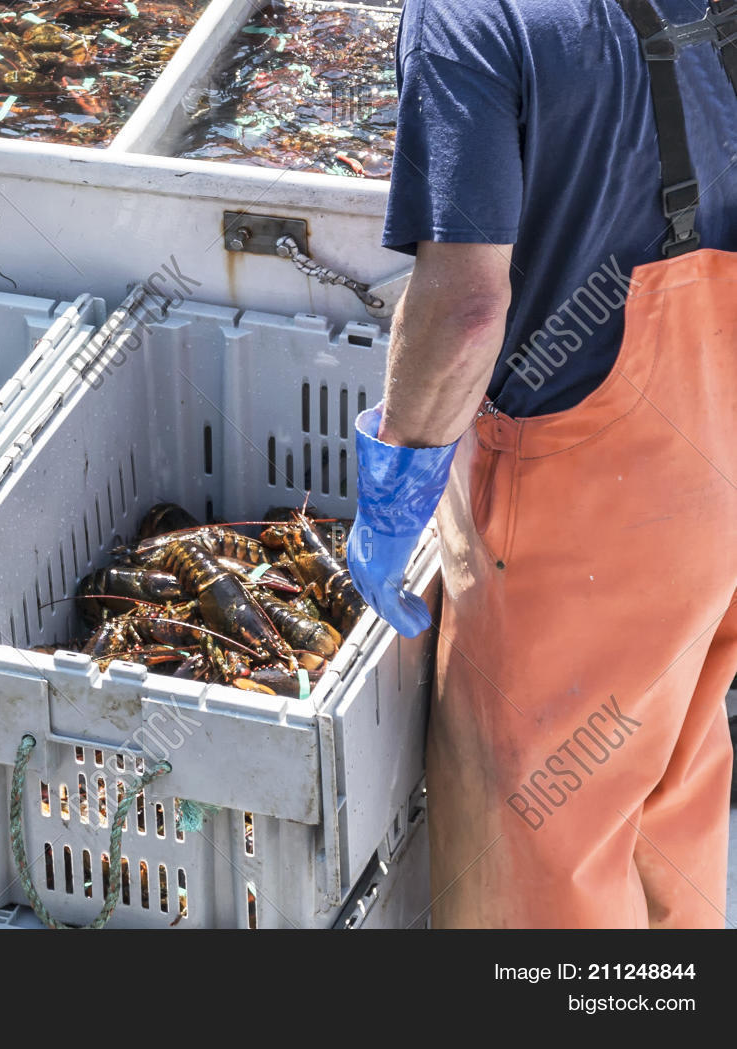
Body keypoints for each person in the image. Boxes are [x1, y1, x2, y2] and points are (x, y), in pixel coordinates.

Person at [346, 0, 737, 927]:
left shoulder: (469, 20)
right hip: (717, 442)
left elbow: (468, 312)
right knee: (673, 788)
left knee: (540, 855)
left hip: (578, 513)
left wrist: (398, 478)